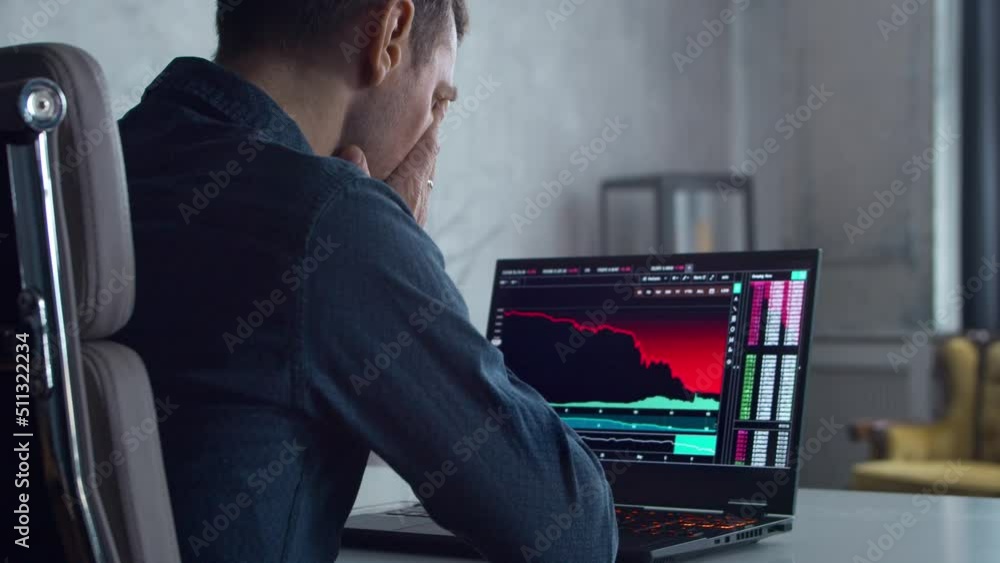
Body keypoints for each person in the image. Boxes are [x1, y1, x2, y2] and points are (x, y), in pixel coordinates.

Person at [115, 1, 618, 561]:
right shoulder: (331, 224)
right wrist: (395, 243)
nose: (433, 131)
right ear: (388, 32)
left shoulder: (87, 172)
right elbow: (574, 531)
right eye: (439, 100)